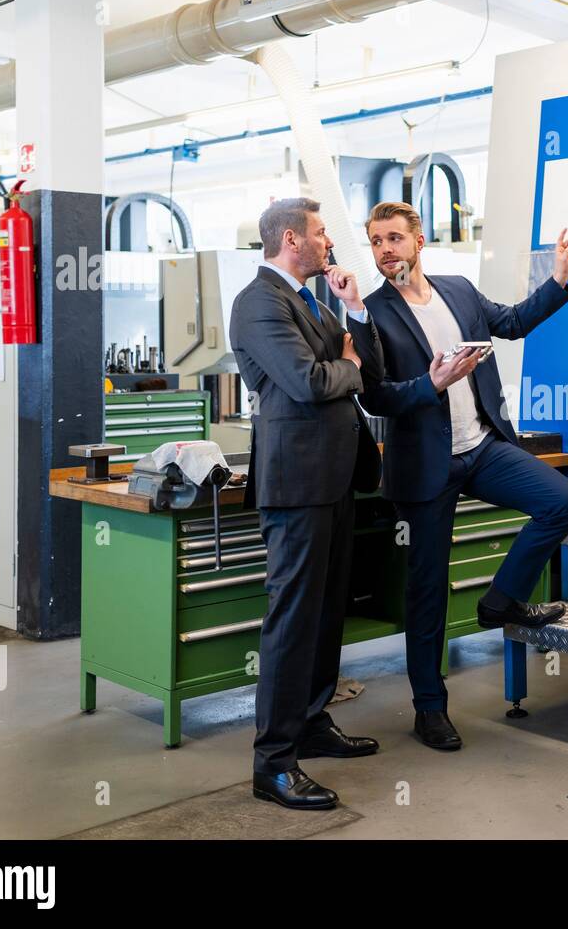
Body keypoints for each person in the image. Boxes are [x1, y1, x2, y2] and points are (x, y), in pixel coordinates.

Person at [346, 200, 568, 751]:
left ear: (418, 240)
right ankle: (429, 709)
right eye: (376, 241)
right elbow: (377, 396)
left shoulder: (458, 289)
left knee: (563, 502)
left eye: (394, 238)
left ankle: (500, 600)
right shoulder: (371, 314)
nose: (385, 250)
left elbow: (514, 323)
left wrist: (556, 279)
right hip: (425, 466)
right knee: (426, 592)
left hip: (481, 446)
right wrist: (433, 381)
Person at [229, 197, 384, 810]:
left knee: (325, 613)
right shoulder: (260, 302)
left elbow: (360, 367)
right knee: (292, 620)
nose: (330, 243)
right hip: (296, 486)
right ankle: (273, 763)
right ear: (292, 239)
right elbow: (310, 382)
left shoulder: (312, 302)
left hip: (334, 480)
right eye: (322, 234)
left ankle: (314, 723)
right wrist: (341, 363)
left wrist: (352, 310)